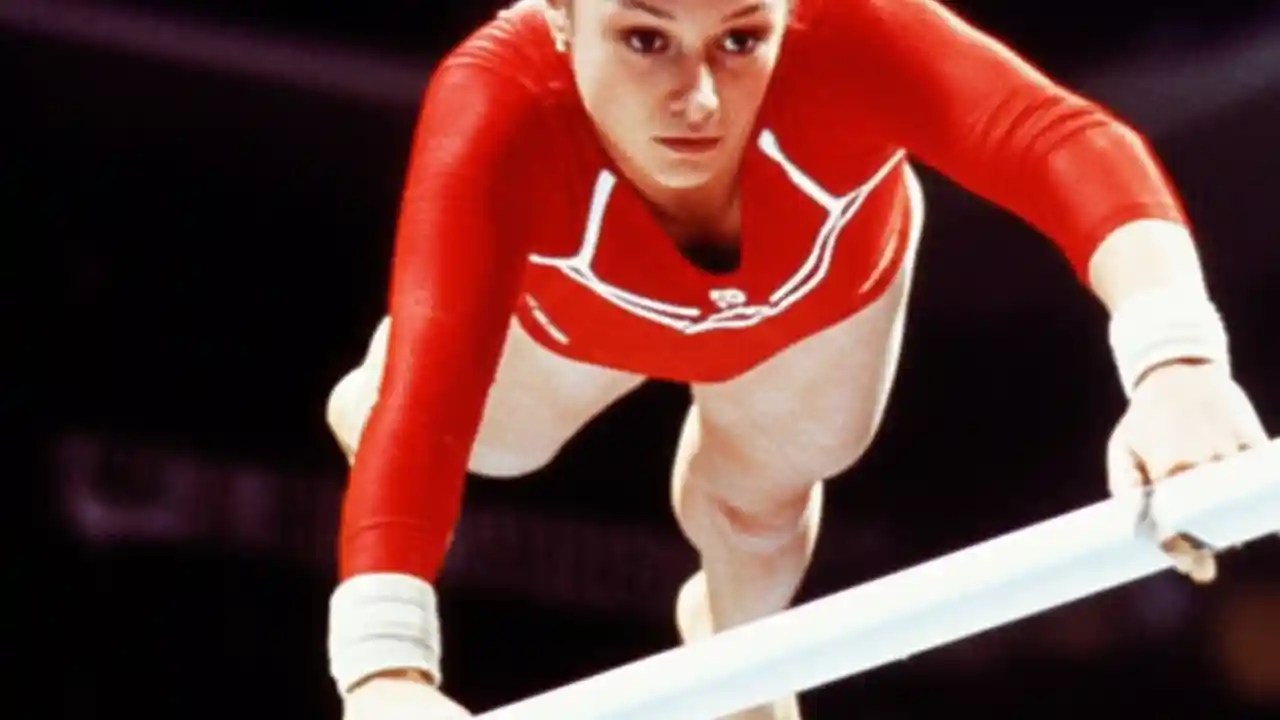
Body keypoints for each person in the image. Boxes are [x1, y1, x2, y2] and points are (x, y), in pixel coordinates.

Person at [322, 1, 1270, 718]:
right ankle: (360, 393)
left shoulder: (852, 27)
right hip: (577, 319)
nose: (697, 98)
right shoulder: (496, 99)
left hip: (812, 300)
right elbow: (432, 394)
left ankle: (745, 654)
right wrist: (385, 671)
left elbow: (1062, 140)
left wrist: (1176, 367)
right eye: (646, 39)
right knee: (465, 440)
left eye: (740, 39)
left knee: (760, 508)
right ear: (562, 20)